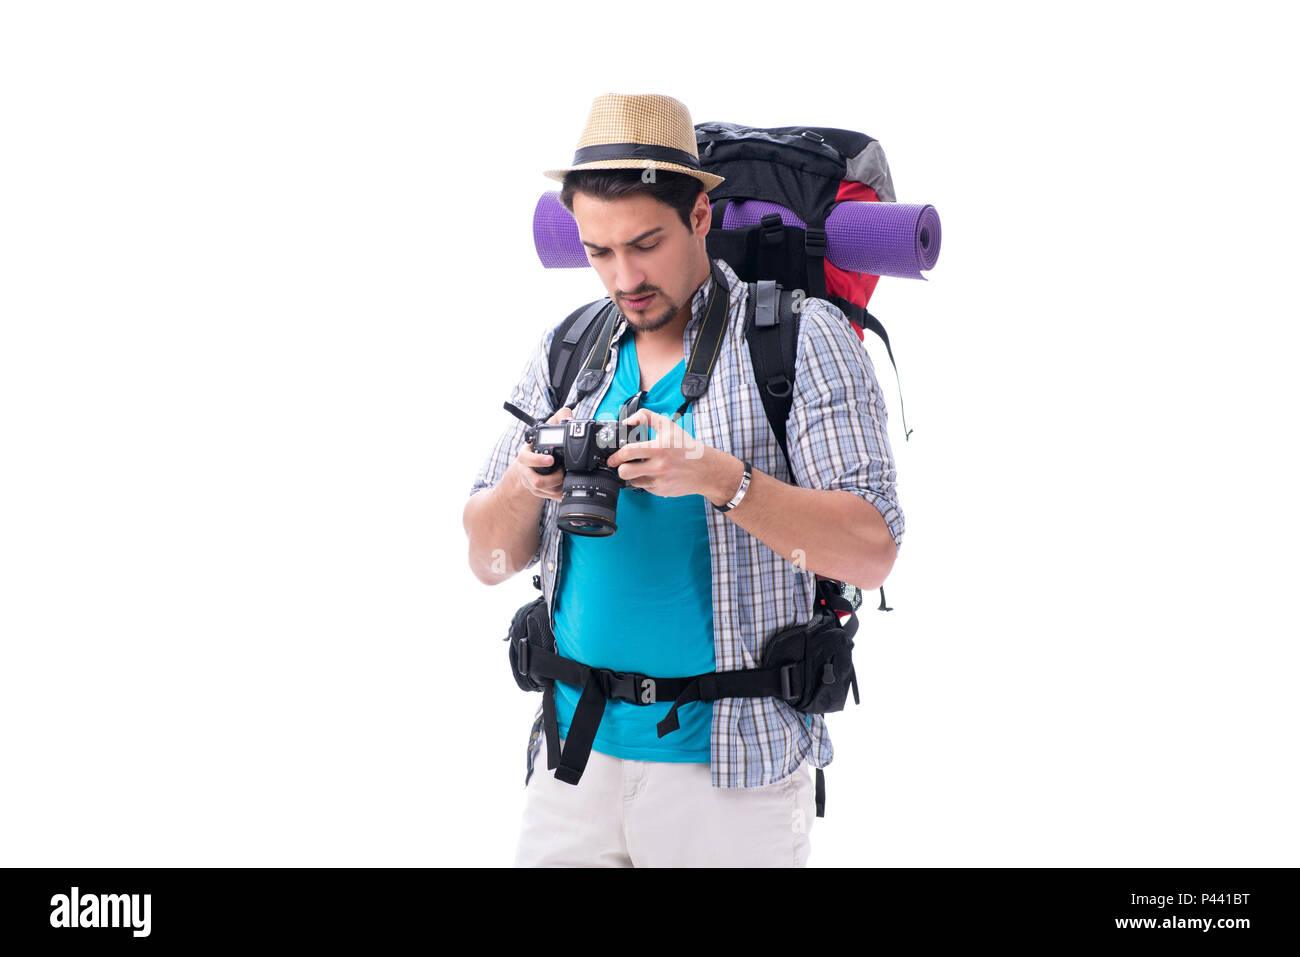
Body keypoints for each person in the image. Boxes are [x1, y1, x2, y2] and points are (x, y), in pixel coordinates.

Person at [463, 93, 904, 867]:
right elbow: (485, 558)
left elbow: (870, 551)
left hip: (730, 779)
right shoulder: (570, 348)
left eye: (645, 243)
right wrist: (523, 489)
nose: (623, 276)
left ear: (701, 216)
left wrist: (722, 480)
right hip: (574, 757)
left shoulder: (801, 339)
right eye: (599, 250)